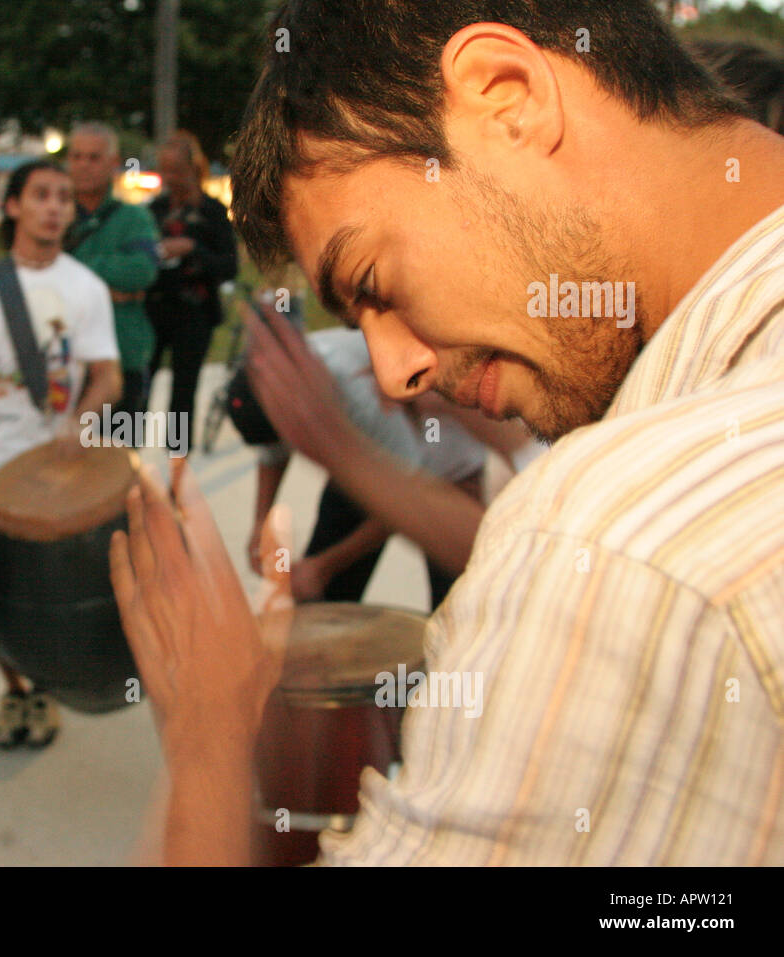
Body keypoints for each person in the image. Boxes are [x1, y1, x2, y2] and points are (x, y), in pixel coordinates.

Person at [111, 0, 784, 865]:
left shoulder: (618, 546)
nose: (396, 372)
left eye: (371, 281)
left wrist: (209, 738)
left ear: (506, 97)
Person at [0, 159, 122, 750]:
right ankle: (15, 689)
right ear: (12, 207)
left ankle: (42, 693)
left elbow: (109, 378)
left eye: (64, 197)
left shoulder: (84, 288)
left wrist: (82, 419)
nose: (55, 206)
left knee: (51, 597)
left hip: (58, 475)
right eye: (41, 195)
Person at [246, 325, 501, 608]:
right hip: (376, 460)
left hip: (444, 475)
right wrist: (261, 521)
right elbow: (273, 444)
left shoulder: (361, 393)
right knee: (319, 601)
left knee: (458, 611)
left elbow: (409, 499)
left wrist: (325, 566)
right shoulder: (279, 376)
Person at [144, 131, 238, 453]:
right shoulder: (154, 208)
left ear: (193, 169)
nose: (170, 178)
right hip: (152, 310)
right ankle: (127, 462)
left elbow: (230, 265)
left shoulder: (212, 210)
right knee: (139, 386)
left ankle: (177, 469)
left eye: (177, 170)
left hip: (194, 314)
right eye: (164, 170)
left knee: (183, 394)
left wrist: (192, 248)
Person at [66, 122, 161, 419]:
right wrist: (107, 286)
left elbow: (142, 271)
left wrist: (72, 268)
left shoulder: (134, 217)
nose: (84, 165)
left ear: (113, 163)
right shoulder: (53, 214)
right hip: (62, 362)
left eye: (94, 158)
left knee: (117, 460)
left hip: (123, 356)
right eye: (76, 156)